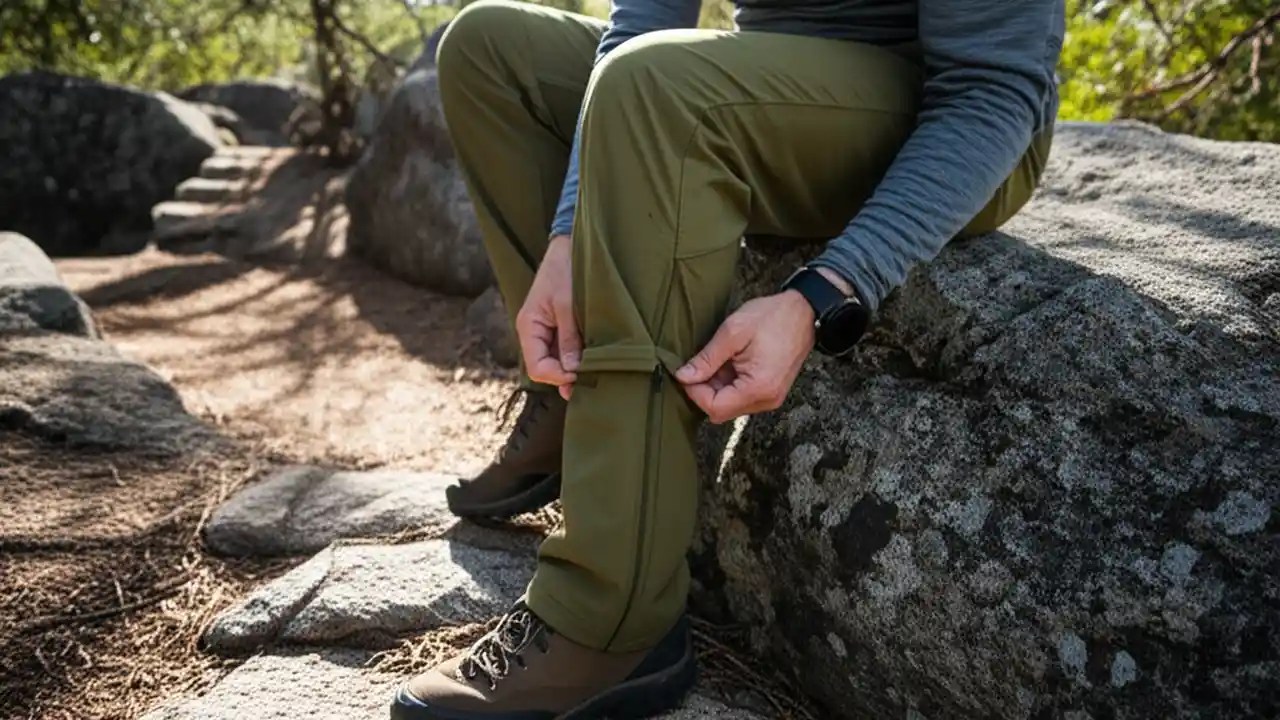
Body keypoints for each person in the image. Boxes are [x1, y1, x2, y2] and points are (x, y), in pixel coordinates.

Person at [393, 0, 1064, 717]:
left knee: (657, 89)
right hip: (768, 78)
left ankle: (612, 613)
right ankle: (581, 392)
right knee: (489, 50)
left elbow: (994, 89)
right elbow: (645, 19)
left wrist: (824, 293)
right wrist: (568, 232)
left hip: (948, 113)